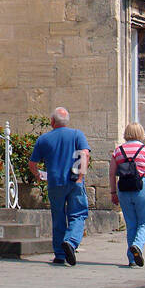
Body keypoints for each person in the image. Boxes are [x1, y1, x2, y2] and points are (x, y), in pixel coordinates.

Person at [29, 107, 90, 266]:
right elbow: (85, 154)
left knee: (58, 217)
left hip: (55, 182)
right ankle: (71, 241)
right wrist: (80, 176)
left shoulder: (44, 139)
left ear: (52, 121)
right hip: (74, 180)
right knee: (78, 214)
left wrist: (38, 175)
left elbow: (32, 163)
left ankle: (60, 254)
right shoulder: (77, 134)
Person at [109, 122, 145, 267]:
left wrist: (113, 192)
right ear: (141, 133)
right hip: (143, 186)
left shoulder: (118, 151)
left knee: (131, 224)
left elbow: (112, 173)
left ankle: (132, 259)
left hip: (124, 187)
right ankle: (137, 245)